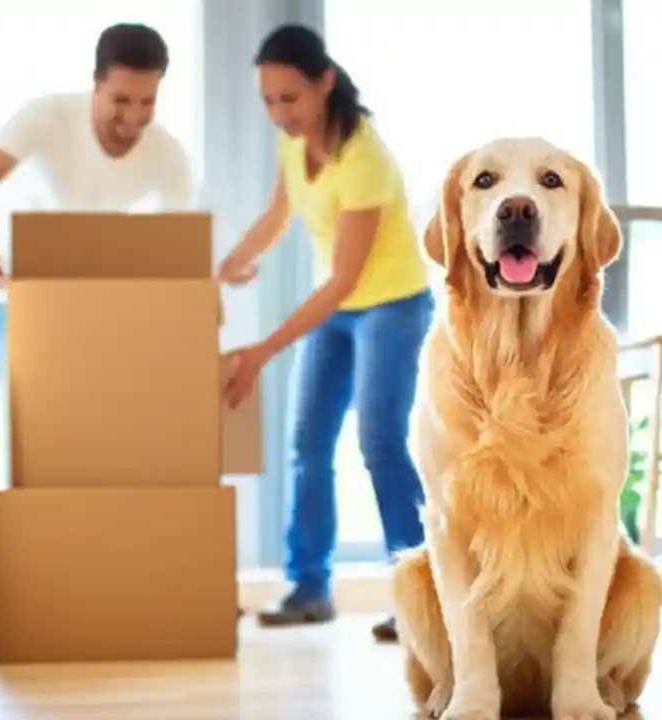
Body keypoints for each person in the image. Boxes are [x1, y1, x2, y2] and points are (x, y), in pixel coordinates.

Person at [218, 24, 433, 643]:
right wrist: (232, 262)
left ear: (324, 83)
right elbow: (279, 213)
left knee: (380, 444)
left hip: (390, 307)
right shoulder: (295, 144)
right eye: (268, 100)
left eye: (289, 98)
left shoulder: (365, 157)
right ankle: (309, 587)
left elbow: (342, 281)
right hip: (340, 312)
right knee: (307, 445)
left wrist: (261, 352)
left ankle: (420, 594)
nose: (278, 113)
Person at [0, 22, 197, 391]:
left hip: (101, 306)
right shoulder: (45, 118)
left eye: (147, 101)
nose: (133, 117)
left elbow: (180, 253)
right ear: (96, 84)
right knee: (27, 427)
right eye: (121, 100)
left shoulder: (168, 154)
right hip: (21, 298)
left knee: (93, 430)